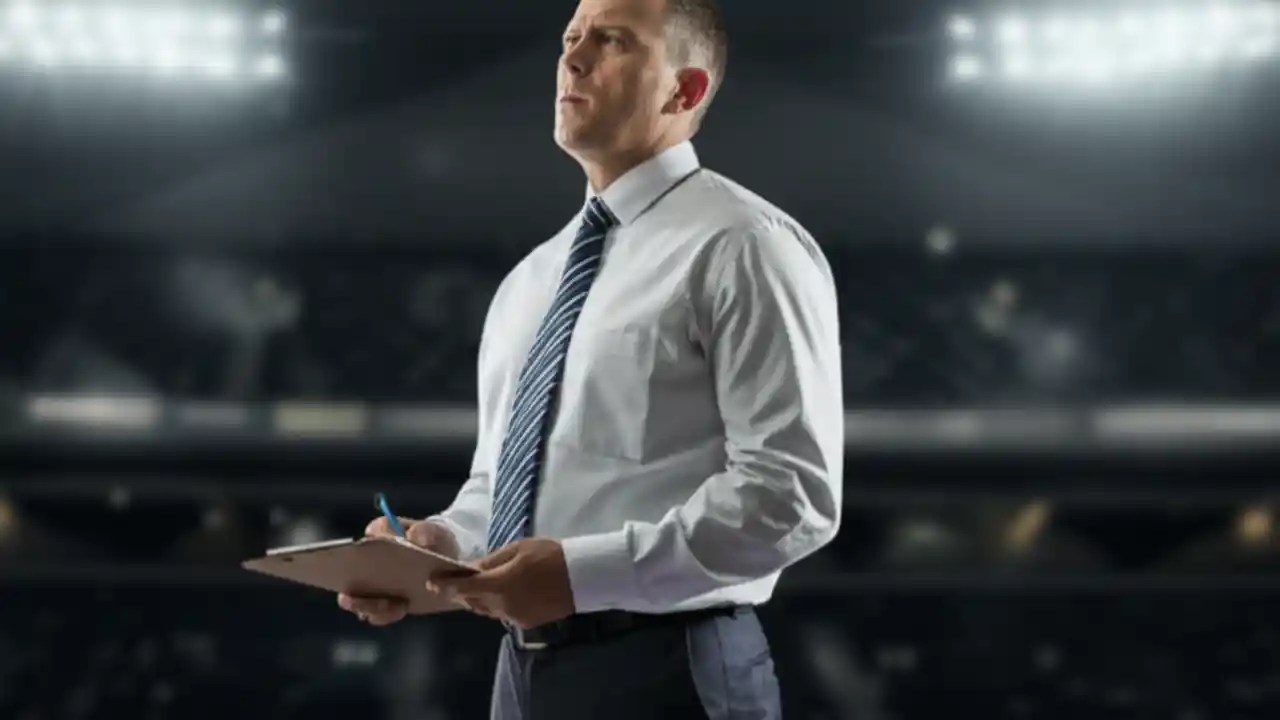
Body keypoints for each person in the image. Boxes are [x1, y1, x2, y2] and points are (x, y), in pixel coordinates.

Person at [338, 0, 844, 716]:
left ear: (685, 90)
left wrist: (582, 575)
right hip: (522, 670)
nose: (572, 59)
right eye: (571, 38)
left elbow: (792, 500)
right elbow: (506, 483)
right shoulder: (532, 279)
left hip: (676, 667)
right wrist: (439, 547)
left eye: (611, 42)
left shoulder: (744, 245)